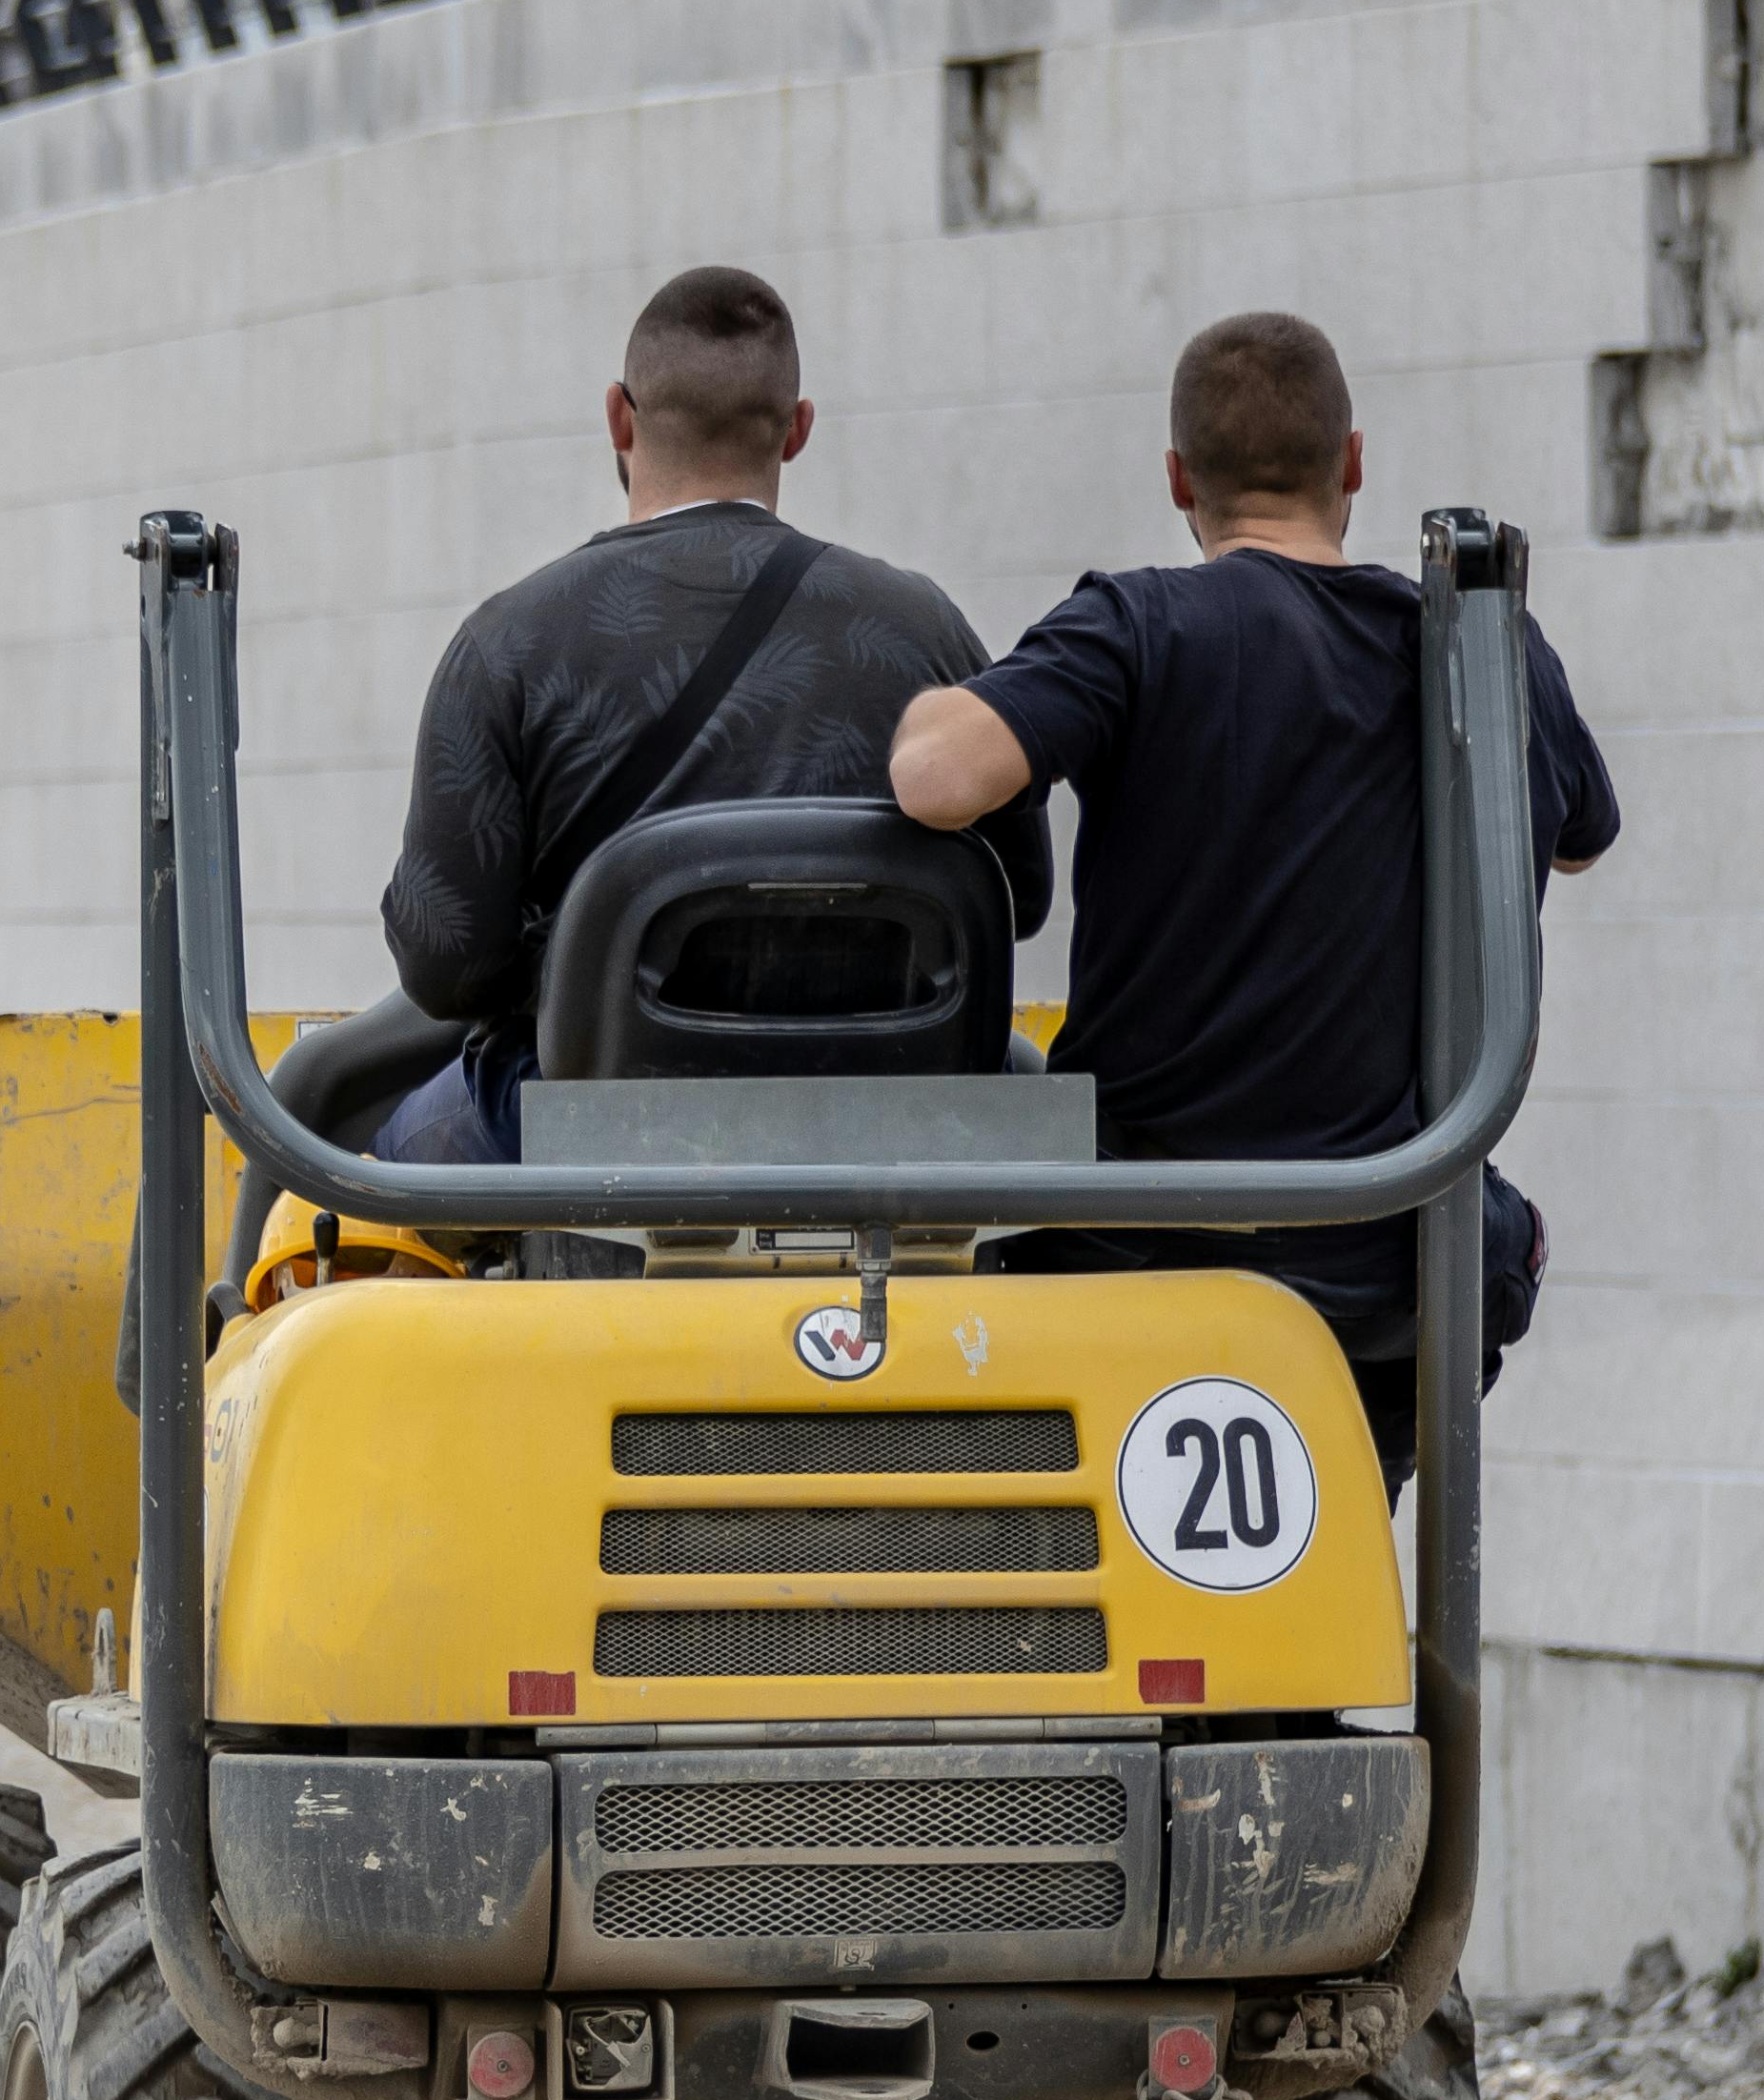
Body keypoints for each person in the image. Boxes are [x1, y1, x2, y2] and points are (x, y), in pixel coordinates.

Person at [887, 309, 1617, 1497]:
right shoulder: (1490, 654)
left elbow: (935, 778)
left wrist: (929, 703)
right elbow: (1581, 843)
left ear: (1179, 478)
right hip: (1391, 1264)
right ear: (1354, 462)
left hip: (1139, 1253)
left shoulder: (1138, 627)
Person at [375, 264, 1048, 1163]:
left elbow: (444, 965)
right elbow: (1020, 898)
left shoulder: (507, 644)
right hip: (890, 1113)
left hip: (592, 1131)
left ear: (619, 418)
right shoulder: (927, 631)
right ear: (798, 429)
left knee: (382, 1151)